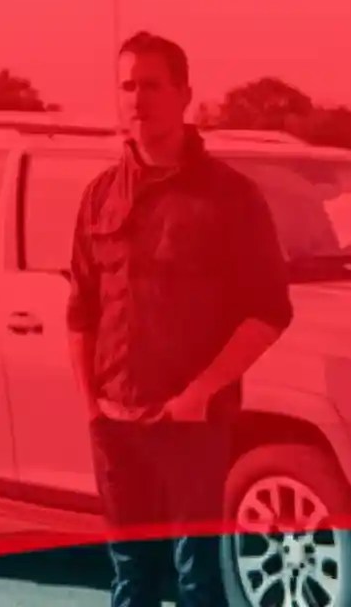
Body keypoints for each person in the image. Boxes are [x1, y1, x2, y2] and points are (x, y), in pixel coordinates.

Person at [65, 30, 295, 607]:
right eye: (127, 86)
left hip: (192, 425)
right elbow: (81, 310)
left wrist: (200, 394)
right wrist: (91, 407)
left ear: (184, 95)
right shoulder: (98, 197)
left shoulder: (229, 197)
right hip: (116, 424)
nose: (137, 99)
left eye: (151, 86)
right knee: (131, 579)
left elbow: (269, 312)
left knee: (198, 582)